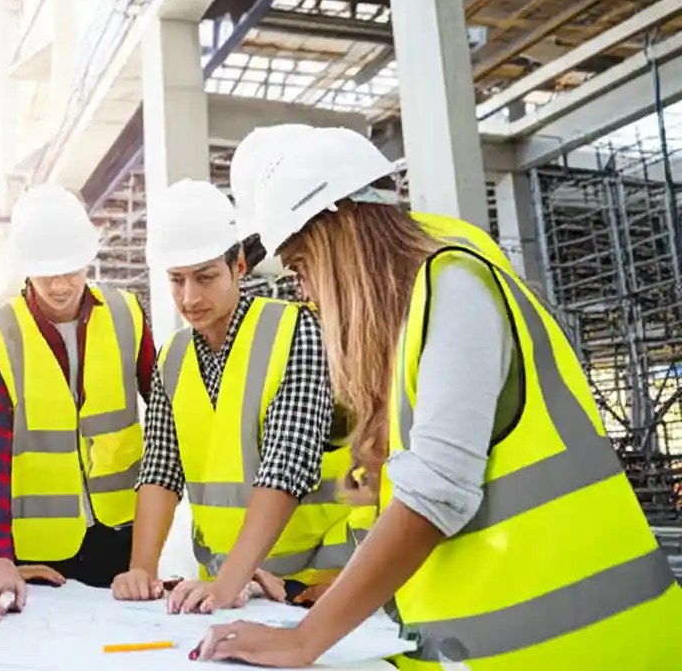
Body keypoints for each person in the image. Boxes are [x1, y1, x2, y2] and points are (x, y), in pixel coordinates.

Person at [193, 125, 682, 668]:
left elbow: (436, 494)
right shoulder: (420, 312)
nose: (304, 291)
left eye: (302, 266)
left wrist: (304, 639)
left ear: (340, 234)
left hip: (592, 650)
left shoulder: (456, 286)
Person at [112, 179, 347, 612]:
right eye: (177, 280)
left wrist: (228, 582)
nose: (190, 297)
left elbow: (287, 465)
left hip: (315, 586)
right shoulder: (173, 357)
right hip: (229, 587)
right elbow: (161, 469)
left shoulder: (295, 331)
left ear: (239, 264)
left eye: (205, 277)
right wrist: (141, 569)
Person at [0, 183, 155, 624]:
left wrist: (151, 546)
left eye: (70, 269)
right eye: (46, 271)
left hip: (124, 540)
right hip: (39, 556)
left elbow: (167, 421)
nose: (61, 284)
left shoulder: (128, 315)